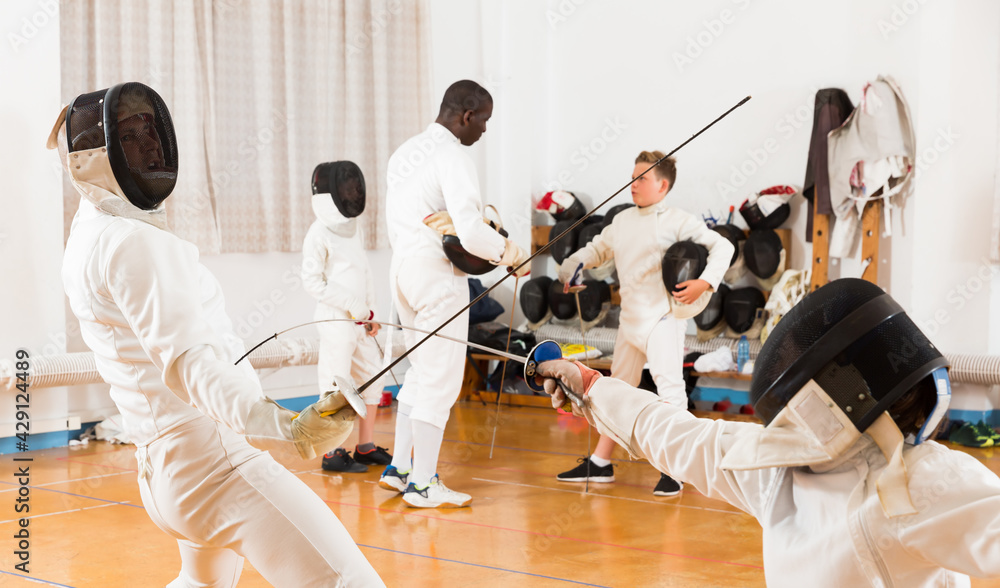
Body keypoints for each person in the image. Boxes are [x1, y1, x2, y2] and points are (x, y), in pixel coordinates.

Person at [51, 82, 384, 587]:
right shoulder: (132, 242)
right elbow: (189, 362)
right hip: (215, 467)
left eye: (150, 131)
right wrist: (281, 424)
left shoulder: (87, 236)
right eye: (130, 136)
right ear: (96, 157)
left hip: (166, 476)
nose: (150, 146)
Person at [533, 278, 1000, 586]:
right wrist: (591, 387)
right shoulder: (921, 478)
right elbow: (673, 434)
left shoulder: (773, 466)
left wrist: (591, 387)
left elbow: (674, 434)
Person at [380, 80, 529, 508]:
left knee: (420, 373)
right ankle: (424, 484)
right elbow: (468, 231)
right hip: (436, 276)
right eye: (483, 121)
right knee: (441, 381)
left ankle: (401, 467)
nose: (483, 130)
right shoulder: (453, 157)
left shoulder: (405, 152)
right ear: (467, 115)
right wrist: (509, 252)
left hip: (403, 272)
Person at [555, 151, 734, 496]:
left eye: (642, 179)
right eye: (632, 177)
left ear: (662, 186)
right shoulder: (622, 221)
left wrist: (706, 282)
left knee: (670, 394)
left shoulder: (677, 220)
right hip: (631, 321)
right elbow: (596, 249)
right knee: (613, 393)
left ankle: (675, 468)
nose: (633, 185)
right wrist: (573, 264)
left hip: (662, 320)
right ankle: (601, 463)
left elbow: (722, 246)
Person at [301, 160, 393, 473]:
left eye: (353, 188)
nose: (352, 193)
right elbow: (312, 282)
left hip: (361, 319)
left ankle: (365, 446)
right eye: (346, 189)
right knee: (336, 382)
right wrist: (352, 303)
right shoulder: (317, 234)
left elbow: (363, 271)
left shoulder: (351, 230)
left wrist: (372, 312)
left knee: (372, 375)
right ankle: (332, 452)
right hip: (334, 319)